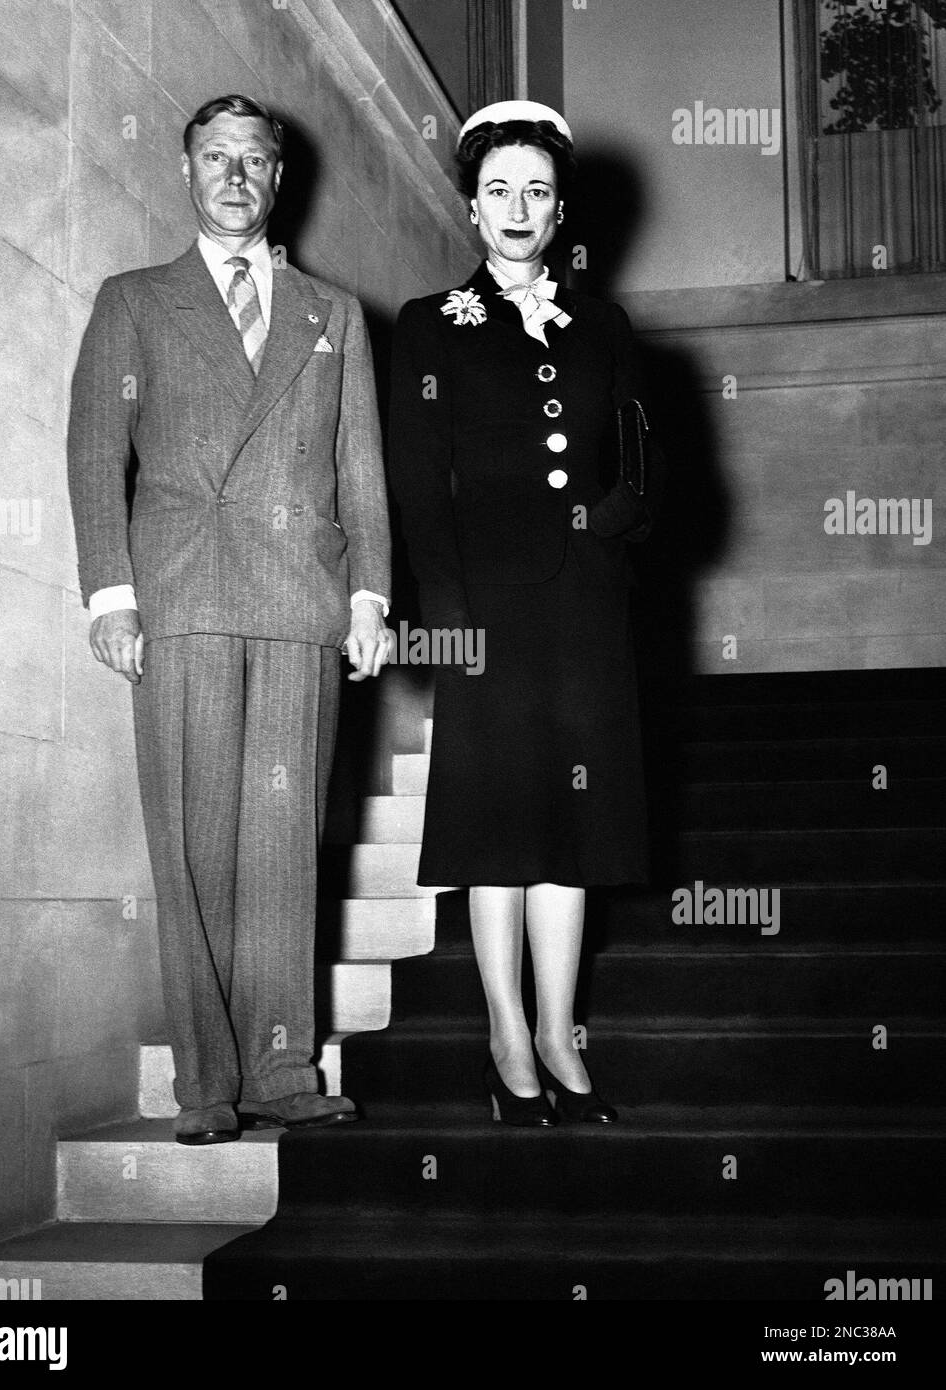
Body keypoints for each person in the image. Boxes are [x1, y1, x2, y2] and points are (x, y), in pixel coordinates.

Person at [67, 95, 392, 1145]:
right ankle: (207, 1084)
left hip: (300, 598)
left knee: (283, 846)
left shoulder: (330, 311)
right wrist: (112, 594)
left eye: (255, 158)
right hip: (184, 600)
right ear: (184, 169)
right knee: (196, 845)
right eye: (217, 156)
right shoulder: (134, 300)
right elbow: (92, 456)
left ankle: (282, 1069)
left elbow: (362, 469)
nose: (236, 175)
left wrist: (370, 594)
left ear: (279, 176)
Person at [388, 101, 663, 1126]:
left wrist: (613, 515)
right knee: (496, 826)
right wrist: (447, 617)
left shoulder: (603, 324)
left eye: (537, 191)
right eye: (498, 188)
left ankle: (559, 1030)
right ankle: (504, 1030)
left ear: (559, 212)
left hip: (586, 608)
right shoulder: (429, 324)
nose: (518, 206)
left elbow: (642, 453)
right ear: (470, 206)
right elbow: (419, 486)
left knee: (573, 828)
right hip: (484, 613)